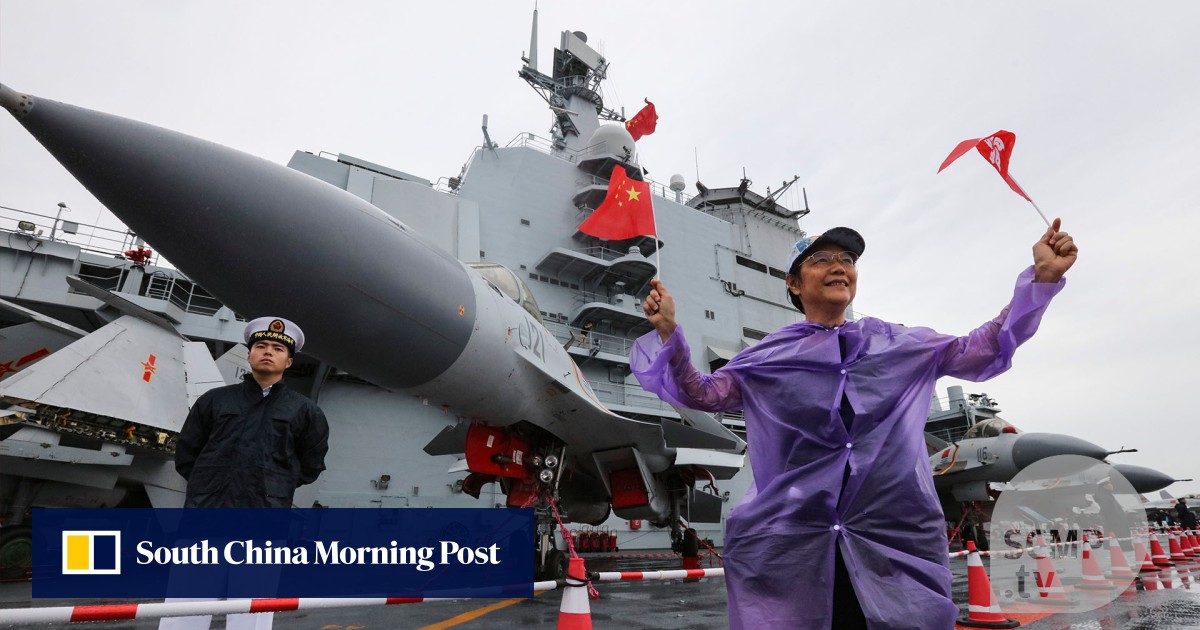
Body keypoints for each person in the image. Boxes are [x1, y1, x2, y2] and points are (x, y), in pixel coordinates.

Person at [632, 220, 1077, 629]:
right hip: (796, 540)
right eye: (821, 259)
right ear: (793, 284)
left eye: (847, 259)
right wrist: (670, 333)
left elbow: (982, 347)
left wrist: (1041, 280)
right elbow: (702, 392)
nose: (838, 266)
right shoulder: (768, 358)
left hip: (893, 538)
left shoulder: (897, 344)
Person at [163, 317, 329, 630]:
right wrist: (210, 485)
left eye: (277, 348)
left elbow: (311, 465)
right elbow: (187, 454)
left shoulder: (305, 411)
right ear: (250, 354)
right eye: (261, 345)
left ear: (288, 361)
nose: (268, 351)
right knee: (185, 609)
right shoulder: (215, 400)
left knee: (252, 614)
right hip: (206, 516)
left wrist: (273, 486)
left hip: (264, 519)